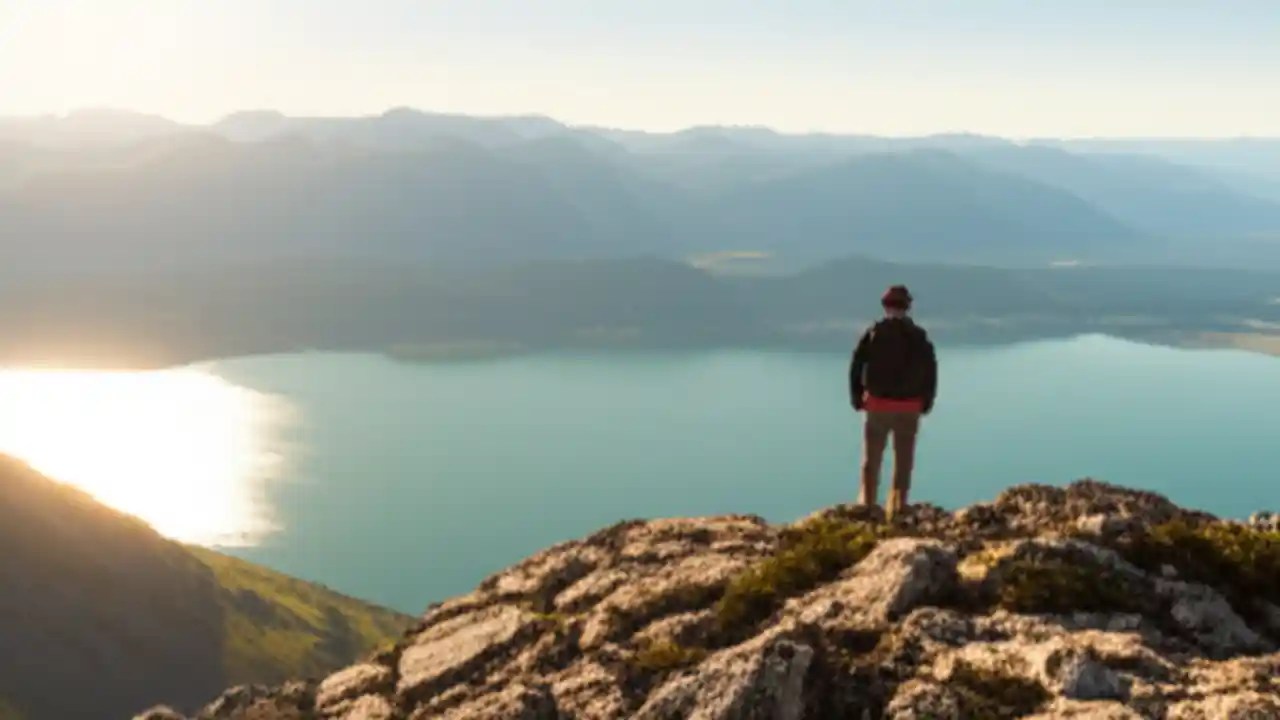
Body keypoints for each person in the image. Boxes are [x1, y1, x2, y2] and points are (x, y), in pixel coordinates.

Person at [848, 285, 937, 518]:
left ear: (885, 306)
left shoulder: (873, 333)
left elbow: (856, 366)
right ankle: (897, 505)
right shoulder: (918, 336)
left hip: (878, 405)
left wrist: (857, 397)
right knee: (904, 459)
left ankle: (867, 504)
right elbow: (930, 370)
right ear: (907, 307)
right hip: (910, 406)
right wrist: (926, 400)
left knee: (872, 458)